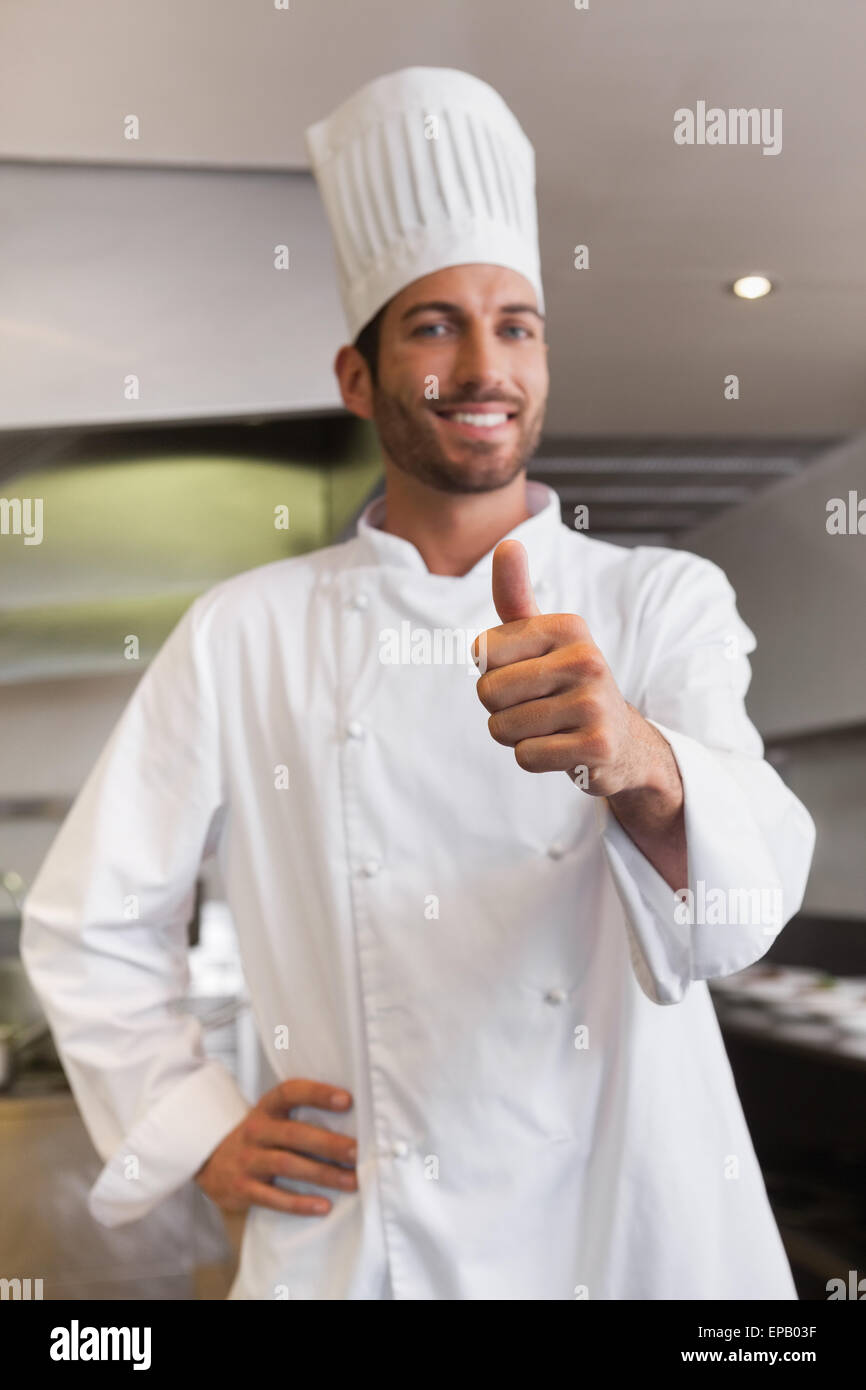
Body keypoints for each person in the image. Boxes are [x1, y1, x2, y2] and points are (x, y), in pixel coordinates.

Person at [21, 67, 815, 1300]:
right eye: (434, 323)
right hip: (366, 1237)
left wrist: (641, 764)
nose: (483, 359)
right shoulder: (247, 630)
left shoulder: (661, 600)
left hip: (630, 1228)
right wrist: (193, 1124)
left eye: (516, 323)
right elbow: (87, 921)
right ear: (358, 375)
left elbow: (745, 908)